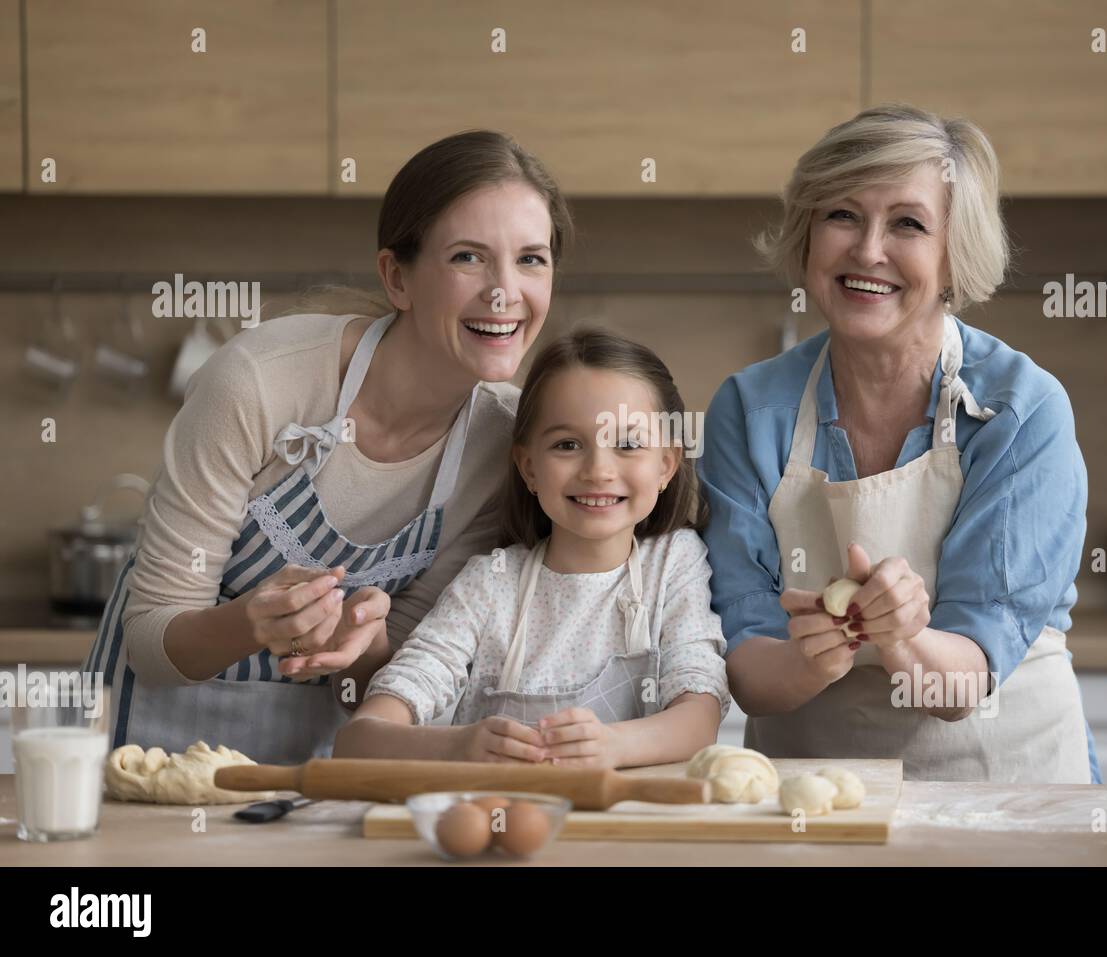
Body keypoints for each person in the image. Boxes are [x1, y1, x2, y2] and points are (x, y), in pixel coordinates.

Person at [84, 131, 573, 764]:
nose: (505, 292)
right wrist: (251, 623)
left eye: (531, 259)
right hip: (149, 759)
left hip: (313, 780)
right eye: (468, 258)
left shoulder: (504, 444)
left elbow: (384, 689)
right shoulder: (260, 382)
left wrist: (362, 645)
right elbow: (152, 642)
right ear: (398, 277)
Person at [699, 104, 1099, 783]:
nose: (867, 250)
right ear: (806, 236)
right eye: (842, 215)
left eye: (908, 223)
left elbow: (965, 678)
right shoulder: (748, 409)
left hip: (1007, 792)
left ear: (953, 257)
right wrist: (808, 658)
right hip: (814, 805)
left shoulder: (1021, 411)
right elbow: (746, 663)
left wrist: (903, 634)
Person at [336, 329, 729, 768]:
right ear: (529, 468)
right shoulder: (489, 583)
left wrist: (614, 746)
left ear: (666, 466)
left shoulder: (674, 562)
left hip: (632, 829)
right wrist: (458, 748)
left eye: (628, 445)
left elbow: (699, 722)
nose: (598, 470)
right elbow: (360, 741)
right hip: (503, 827)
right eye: (567, 445)